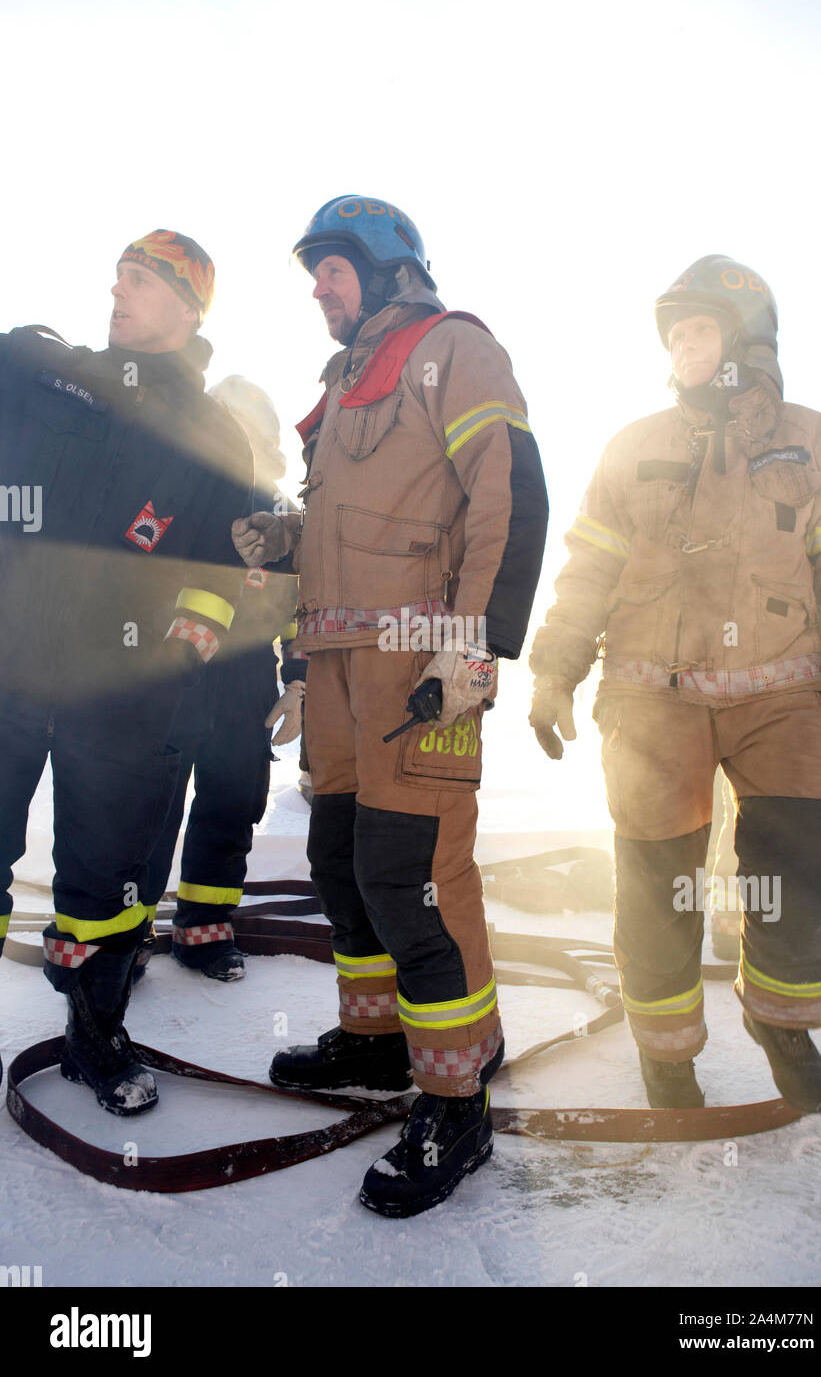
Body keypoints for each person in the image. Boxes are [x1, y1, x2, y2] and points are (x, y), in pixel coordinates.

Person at [232, 194, 548, 1216]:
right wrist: (285, 538)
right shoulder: (338, 386)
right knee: (339, 861)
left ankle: (456, 1097)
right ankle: (374, 1042)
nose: (317, 287)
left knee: (410, 874)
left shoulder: (450, 349)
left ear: (386, 266)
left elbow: (510, 493)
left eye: (332, 266)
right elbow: (357, 526)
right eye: (313, 271)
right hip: (335, 664)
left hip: (425, 662)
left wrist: (475, 646)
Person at [529, 254, 821, 1115]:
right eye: (674, 334)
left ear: (747, 338)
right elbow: (587, 567)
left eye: (699, 329)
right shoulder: (633, 444)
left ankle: (779, 1017)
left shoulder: (820, 441)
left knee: (818, 858)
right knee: (656, 882)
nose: (682, 345)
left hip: (783, 690)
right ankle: (668, 1056)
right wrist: (557, 670)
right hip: (651, 694)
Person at [0, 230, 253, 1112]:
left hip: (119, 692)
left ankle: (95, 1033)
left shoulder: (214, 435)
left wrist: (177, 656)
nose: (117, 289)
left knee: (105, 882)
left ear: (188, 310)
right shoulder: (39, 372)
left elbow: (222, 576)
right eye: (118, 274)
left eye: (140, 280)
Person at [136, 377, 302, 982]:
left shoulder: (285, 515)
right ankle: (128, 932)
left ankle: (204, 930)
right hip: (176, 675)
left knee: (232, 804)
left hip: (247, 683)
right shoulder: (177, 491)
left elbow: (304, 605)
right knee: (151, 808)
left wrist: (300, 680)